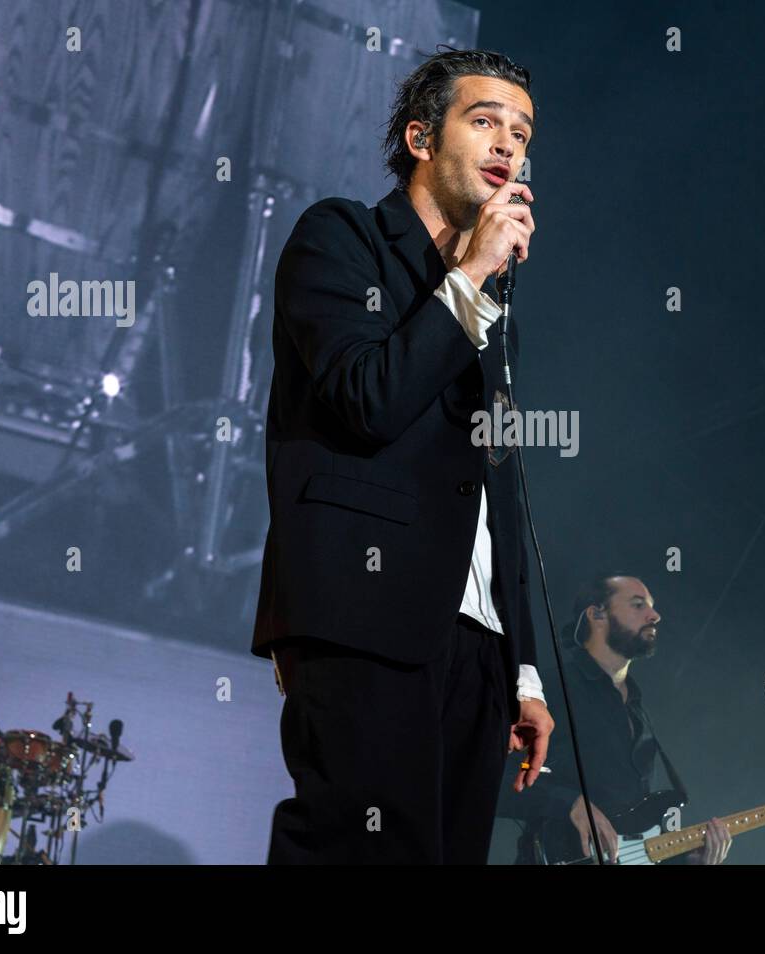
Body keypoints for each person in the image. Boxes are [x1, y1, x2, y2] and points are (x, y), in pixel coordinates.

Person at [251, 47, 555, 864]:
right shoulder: (341, 236)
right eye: (484, 121)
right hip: (365, 613)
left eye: (521, 135)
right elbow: (368, 398)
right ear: (422, 137)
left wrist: (520, 668)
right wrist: (469, 278)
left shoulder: (493, 308)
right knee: (356, 849)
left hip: (476, 650)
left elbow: (496, 496)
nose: (507, 147)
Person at [498, 575, 733, 865]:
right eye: (638, 605)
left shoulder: (636, 706)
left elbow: (635, 839)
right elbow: (496, 778)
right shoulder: (550, 690)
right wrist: (568, 803)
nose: (655, 616)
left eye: (652, 607)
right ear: (596, 614)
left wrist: (688, 862)